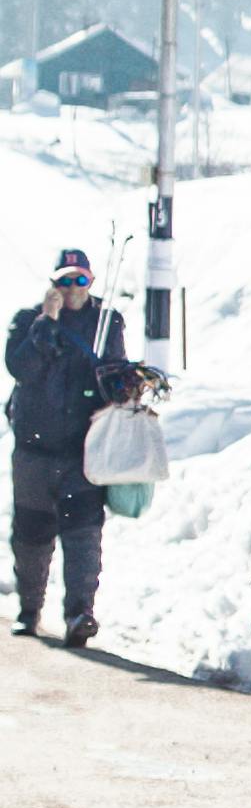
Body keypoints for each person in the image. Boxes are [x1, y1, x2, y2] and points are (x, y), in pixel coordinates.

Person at [8, 245, 127, 647]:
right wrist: (47, 321)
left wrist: (125, 383)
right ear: (53, 284)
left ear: (91, 281)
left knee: (83, 535)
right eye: (65, 280)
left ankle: (80, 614)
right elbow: (20, 367)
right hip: (34, 451)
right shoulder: (29, 321)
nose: (73, 287)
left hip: (83, 450)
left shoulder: (107, 321)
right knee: (32, 536)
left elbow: (117, 372)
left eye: (81, 279)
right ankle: (30, 612)